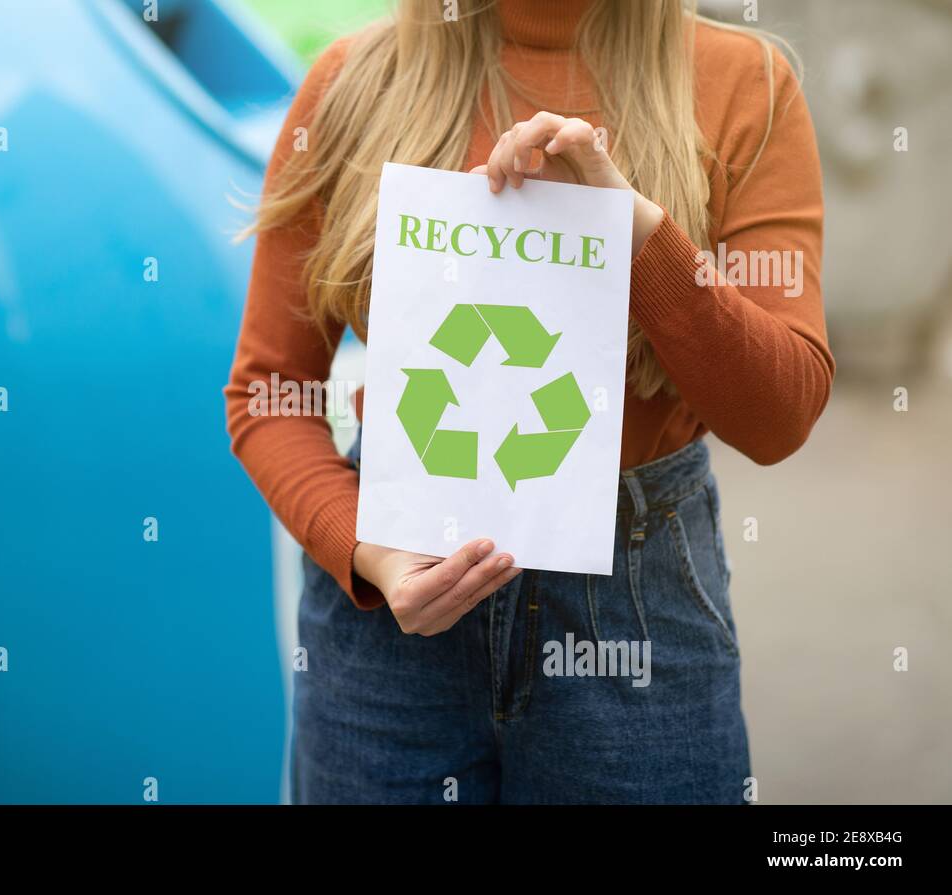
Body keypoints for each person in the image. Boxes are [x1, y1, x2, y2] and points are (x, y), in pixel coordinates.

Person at [225, 0, 832, 804]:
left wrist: (639, 234)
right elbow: (268, 393)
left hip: (636, 616)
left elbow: (778, 414)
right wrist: (368, 548)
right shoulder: (352, 84)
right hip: (390, 631)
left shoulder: (744, 85)